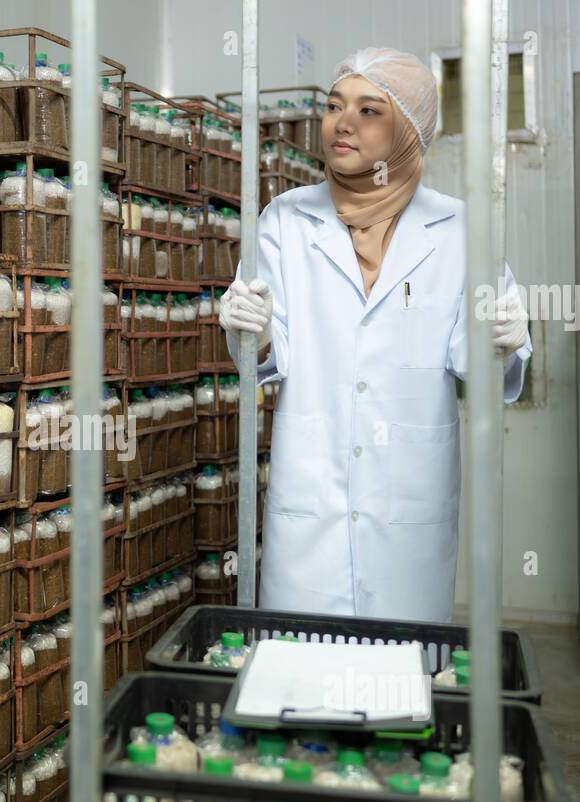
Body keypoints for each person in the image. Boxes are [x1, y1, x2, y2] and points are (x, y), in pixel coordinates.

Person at [219, 48, 532, 622]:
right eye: (334, 105)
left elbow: (476, 361)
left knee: (402, 684)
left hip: (408, 503)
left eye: (369, 110)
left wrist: (507, 340)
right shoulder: (286, 220)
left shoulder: (464, 228)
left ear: (408, 133)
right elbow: (266, 354)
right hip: (310, 501)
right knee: (299, 677)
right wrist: (252, 331)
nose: (342, 122)